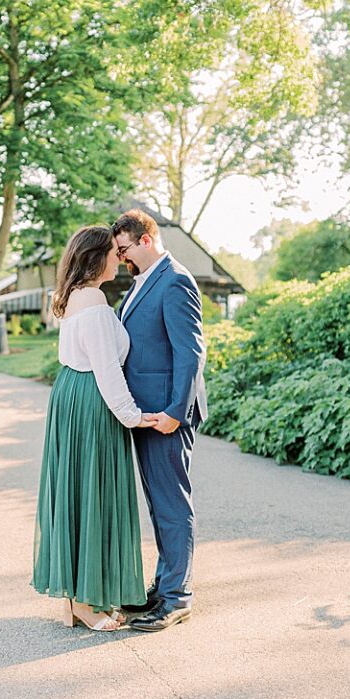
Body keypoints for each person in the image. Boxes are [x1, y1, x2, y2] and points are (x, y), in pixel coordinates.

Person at [31, 224, 168, 631]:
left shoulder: (75, 296)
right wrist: (133, 415)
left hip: (73, 393)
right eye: (113, 252)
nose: (119, 257)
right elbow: (107, 368)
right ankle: (87, 603)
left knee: (79, 491)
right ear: (95, 258)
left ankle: (81, 599)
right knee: (92, 491)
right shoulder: (92, 299)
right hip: (92, 398)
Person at [111, 208, 208, 632]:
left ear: (145, 239)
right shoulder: (140, 284)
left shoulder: (176, 280)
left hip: (166, 414)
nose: (121, 258)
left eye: (124, 249)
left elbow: (190, 353)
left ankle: (177, 598)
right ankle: (164, 585)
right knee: (158, 504)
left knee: (172, 504)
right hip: (145, 415)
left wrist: (174, 412)